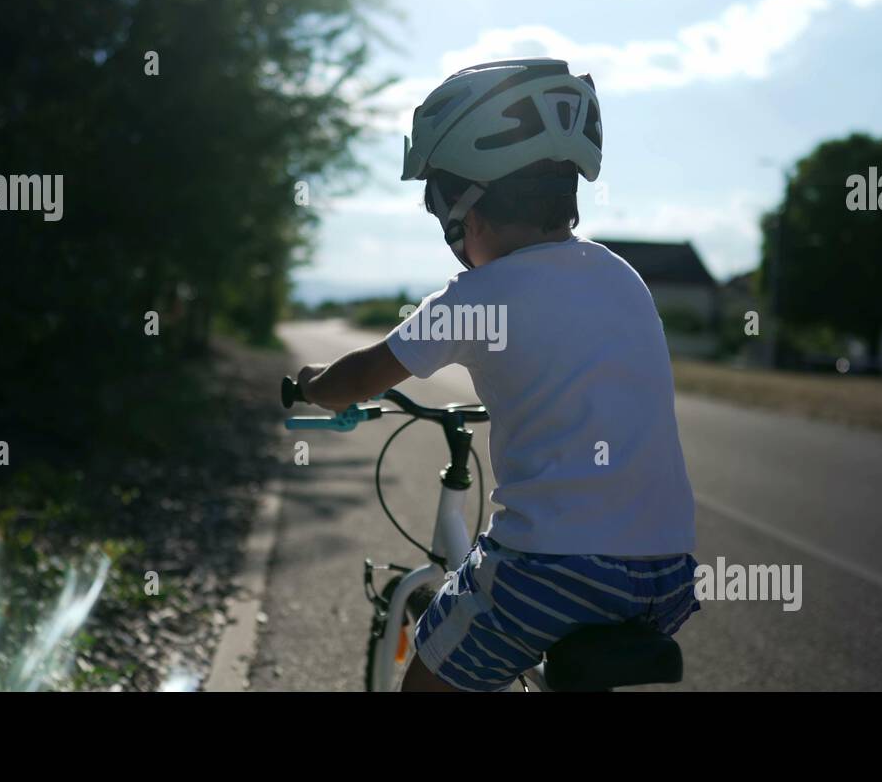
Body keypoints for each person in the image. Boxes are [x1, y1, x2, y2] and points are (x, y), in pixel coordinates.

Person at [295, 58, 699, 691]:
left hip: (550, 570)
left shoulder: (478, 295)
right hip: (668, 574)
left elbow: (363, 375)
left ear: (469, 214)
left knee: (430, 677)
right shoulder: (622, 275)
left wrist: (313, 384)